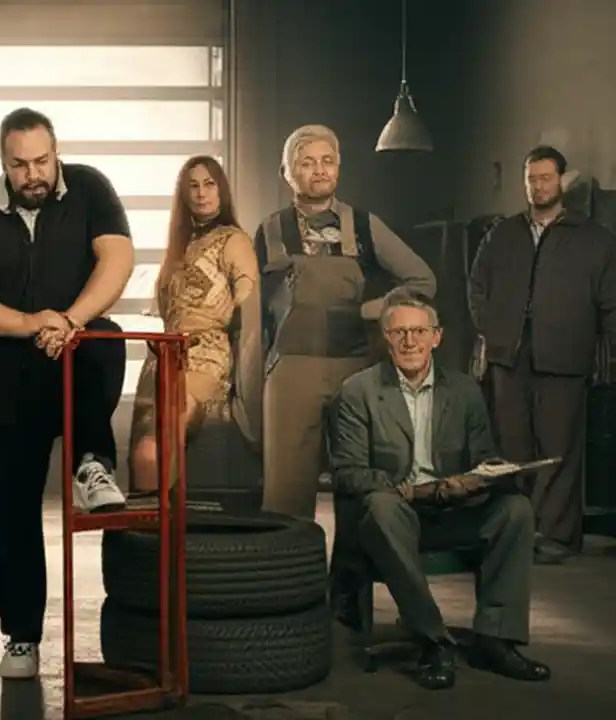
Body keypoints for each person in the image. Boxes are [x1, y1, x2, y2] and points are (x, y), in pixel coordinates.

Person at [0, 107, 132, 680]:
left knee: (105, 334)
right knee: (15, 516)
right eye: (19, 164)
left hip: (72, 365)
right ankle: (21, 638)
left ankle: (92, 466)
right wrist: (32, 322)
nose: (33, 174)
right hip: (6, 386)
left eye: (42, 161)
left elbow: (118, 259)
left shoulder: (91, 188)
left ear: (57, 152)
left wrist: (69, 320)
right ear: (3, 163)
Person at [329, 289, 550, 691]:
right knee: (382, 507)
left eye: (419, 331)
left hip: (452, 513)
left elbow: (483, 455)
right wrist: (407, 491)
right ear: (386, 338)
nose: (410, 341)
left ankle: (496, 640)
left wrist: (488, 475)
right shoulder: (358, 391)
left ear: (437, 336)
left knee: (514, 510)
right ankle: (433, 640)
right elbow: (348, 472)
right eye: (399, 333)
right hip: (393, 519)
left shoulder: (464, 391)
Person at [255, 124, 437, 519]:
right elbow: (253, 312)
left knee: (360, 484)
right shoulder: (270, 230)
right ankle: (288, 574)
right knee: (284, 492)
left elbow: (423, 280)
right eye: (307, 163)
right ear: (287, 172)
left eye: (327, 161)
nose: (319, 170)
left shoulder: (367, 226)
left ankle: (351, 577)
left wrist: (375, 310)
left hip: (354, 370)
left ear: (339, 167)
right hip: (291, 371)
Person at [468, 145, 616, 564]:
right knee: (511, 450)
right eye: (531, 179)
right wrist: (492, 329)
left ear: (561, 181)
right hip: (509, 358)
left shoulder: (595, 240)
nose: (538, 186)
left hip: (565, 357)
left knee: (559, 451)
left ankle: (556, 536)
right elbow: (476, 287)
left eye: (546, 178)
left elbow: (611, 302)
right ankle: (516, 533)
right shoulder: (503, 234)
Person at [128, 156, 261, 497]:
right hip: (161, 356)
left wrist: (247, 375)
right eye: (193, 185)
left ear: (222, 189)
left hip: (207, 351)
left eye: (209, 184)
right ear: (183, 194)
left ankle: (170, 534)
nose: (202, 193)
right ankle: (151, 535)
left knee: (168, 426)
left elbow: (249, 310)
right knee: (143, 449)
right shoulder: (176, 247)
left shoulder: (234, 240)